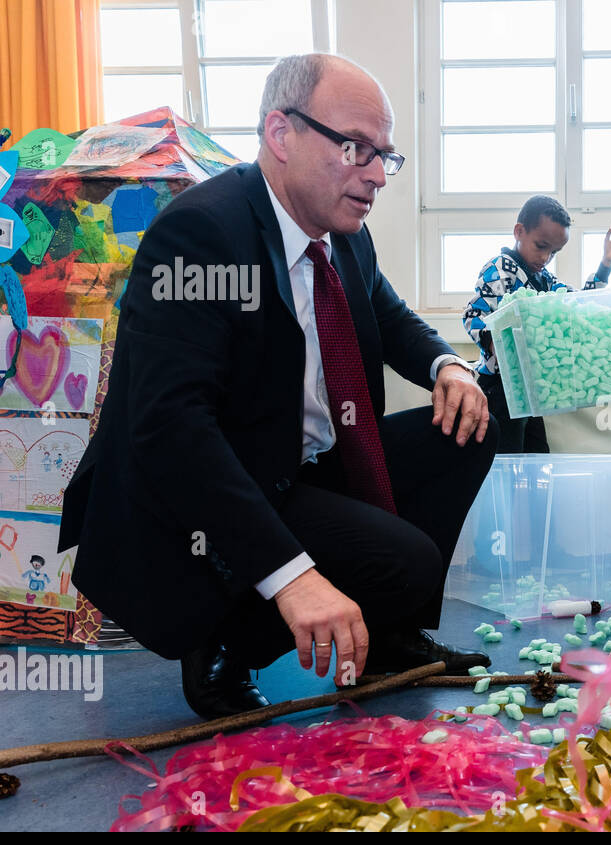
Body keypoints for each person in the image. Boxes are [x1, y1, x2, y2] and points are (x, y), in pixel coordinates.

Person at [58, 53, 498, 720]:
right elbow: (172, 430)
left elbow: (387, 312)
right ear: (280, 134)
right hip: (208, 492)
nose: (377, 174)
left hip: (301, 465)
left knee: (471, 426)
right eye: (356, 148)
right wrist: (293, 578)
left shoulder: (342, 233)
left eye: (385, 155)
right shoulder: (201, 235)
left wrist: (450, 367)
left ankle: (389, 638)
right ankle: (229, 640)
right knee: (402, 562)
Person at [463, 197, 611, 453]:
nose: (545, 257)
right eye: (541, 246)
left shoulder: (544, 278)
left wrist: (605, 265)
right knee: (507, 455)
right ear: (519, 231)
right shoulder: (501, 268)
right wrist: (495, 343)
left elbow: (577, 305)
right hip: (499, 388)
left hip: (530, 390)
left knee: (537, 455)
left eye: (554, 252)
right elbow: (473, 314)